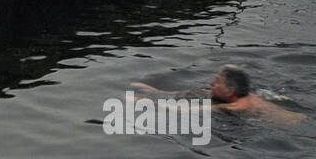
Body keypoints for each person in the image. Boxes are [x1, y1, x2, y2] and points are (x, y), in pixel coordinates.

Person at [130, 65, 305, 120]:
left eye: (217, 82)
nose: (211, 83)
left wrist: (145, 102)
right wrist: (154, 90)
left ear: (230, 92)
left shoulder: (237, 106)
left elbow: (183, 111)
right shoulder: (244, 94)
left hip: (296, 124)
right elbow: (195, 92)